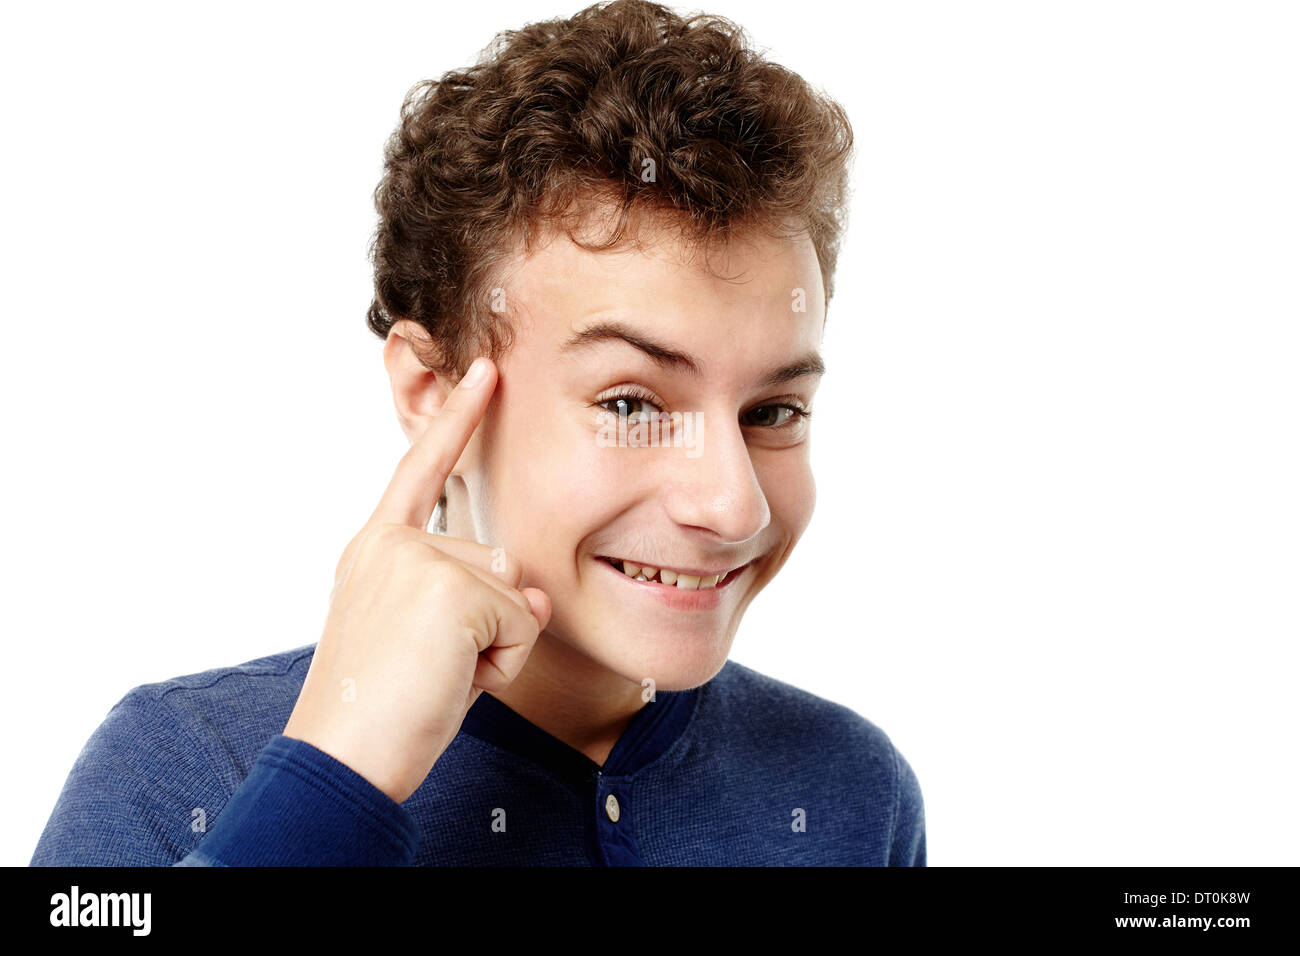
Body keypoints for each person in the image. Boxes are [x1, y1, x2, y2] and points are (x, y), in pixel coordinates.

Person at [30, 0, 925, 867]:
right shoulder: (182, 770)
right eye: (629, 405)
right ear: (431, 390)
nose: (732, 504)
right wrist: (334, 775)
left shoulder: (852, 791)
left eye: (772, 413)